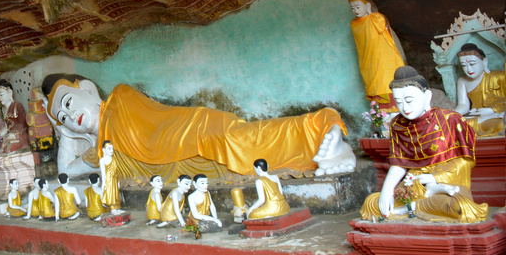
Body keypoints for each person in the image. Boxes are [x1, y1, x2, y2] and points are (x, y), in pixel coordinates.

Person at [43, 74, 354, 183]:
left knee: (247, 140)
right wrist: (66, 135)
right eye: (64, 117)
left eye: (70, 103)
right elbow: (66, 172)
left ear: (87, 90)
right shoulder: (101, 152)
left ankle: (323, 125)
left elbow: (159, 123)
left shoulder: (121, 97)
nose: (72, 115)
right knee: (249, 163)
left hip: (193, 131)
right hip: (187, 163)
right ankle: (320, 142)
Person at [360, 66, 488, 223]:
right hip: (413, 183)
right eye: (399, 102)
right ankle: (412, 206)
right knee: (371, 204)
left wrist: (431, 178)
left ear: (427, 96)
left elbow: (464, 162)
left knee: (461, 207)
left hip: (445, 180)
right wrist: (387, 189)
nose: (405, 108)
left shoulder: (450, 120)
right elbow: (400, 163)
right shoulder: (397, 124)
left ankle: (410, 207)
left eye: (409, 100)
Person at [348, 0, 405, 112]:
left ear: (367, 6)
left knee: (386, 81)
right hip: (368, 61)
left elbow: (387, 36)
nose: (356, 10)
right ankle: (381, 116)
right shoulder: (354, 24)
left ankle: (393, 111)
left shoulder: (377, 18)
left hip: (384, 58)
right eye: (352, 8)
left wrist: (371, 14)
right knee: (374, 85)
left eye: (358, 7)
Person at [453, 44, 505, 137]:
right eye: (464, 65)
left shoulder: (500, 77)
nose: (469, 69)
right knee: (455, 125)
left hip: (499, 116)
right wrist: (451, 115)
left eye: (472, 64)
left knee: (500, 123)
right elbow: (464, 105)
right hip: (477, 117)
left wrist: (491, 110)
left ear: (484, 62)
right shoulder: (462, 81)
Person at [0, 79, 30, 152]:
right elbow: (7, 126)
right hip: (9, 135)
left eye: (1, 95)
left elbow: (23, 124)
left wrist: (14, 134)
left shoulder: (17, 106)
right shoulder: (3, 110)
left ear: (9, 93)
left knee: (8, 147)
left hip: (19, 135)